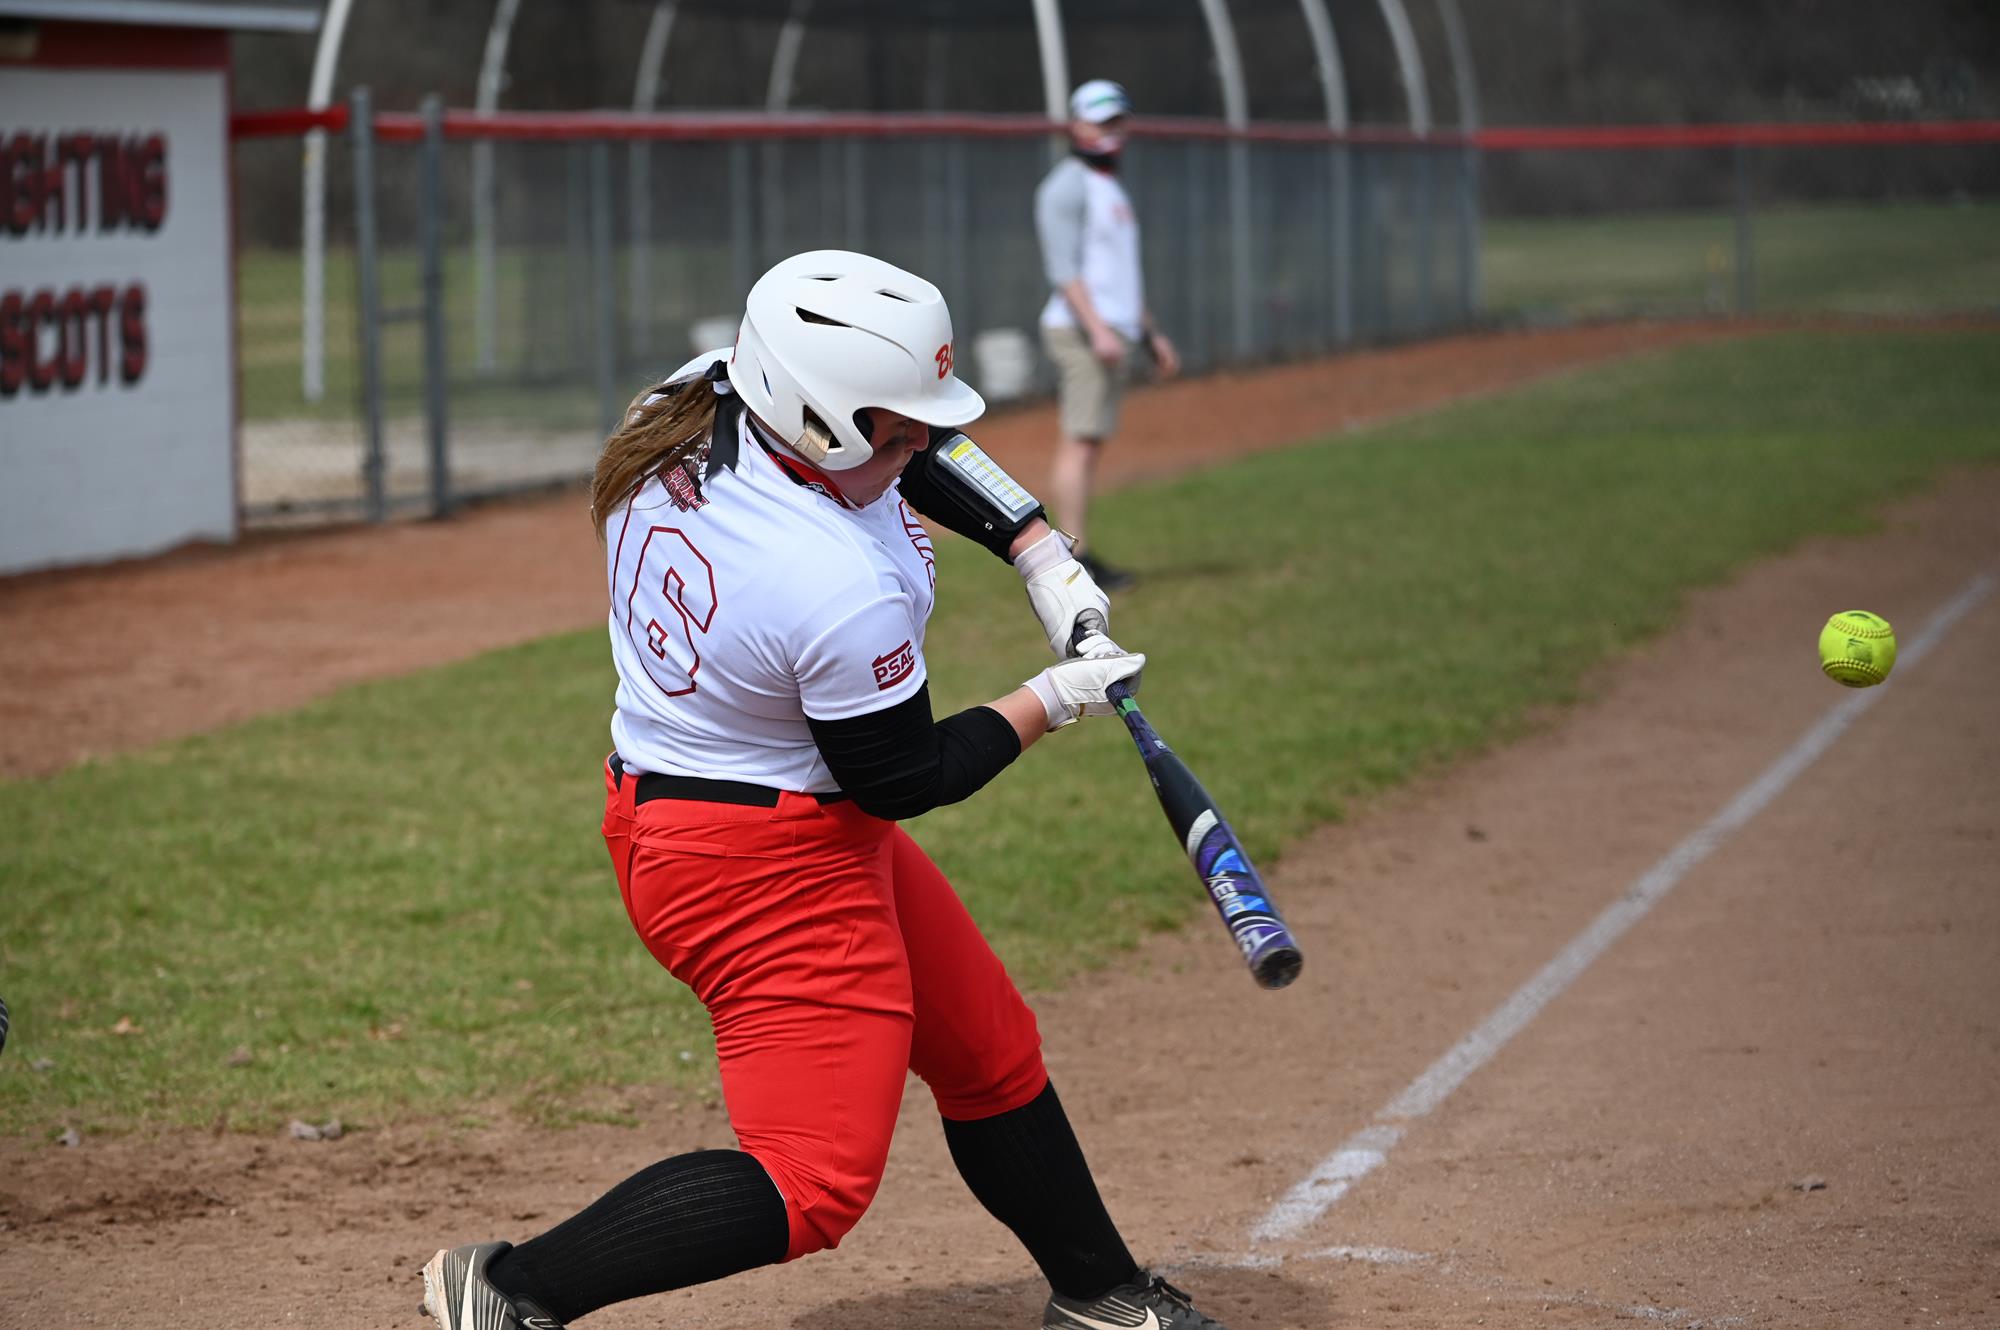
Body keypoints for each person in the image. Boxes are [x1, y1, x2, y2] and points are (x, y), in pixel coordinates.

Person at [417, 250, 1227, 1330]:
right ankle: (511, 1289)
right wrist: (1055, 694)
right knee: (812, 1180)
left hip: (733, 803)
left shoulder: (703, 392)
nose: (912, 449)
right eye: (884, 433)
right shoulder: (833, 585)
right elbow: (901, 777)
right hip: (750, 865)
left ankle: (1097, 1291)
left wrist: (1032, 545)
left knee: (987, 1047)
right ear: (817, 420)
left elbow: (921, 444)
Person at [1034, 78, 1181, 592]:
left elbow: (1118, 276)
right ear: (1076, 125)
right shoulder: (1067, 185)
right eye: (1100, 122)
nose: (1111, 132)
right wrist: (1098, 330)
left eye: (1117, 121)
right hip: (1080, 333)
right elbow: (1065, 271)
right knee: (1080, 443)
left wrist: (1151, 334)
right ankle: (1071, 562)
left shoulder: (1108, 186)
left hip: (1109, 333)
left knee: (1088, 443)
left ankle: (1076, 556)